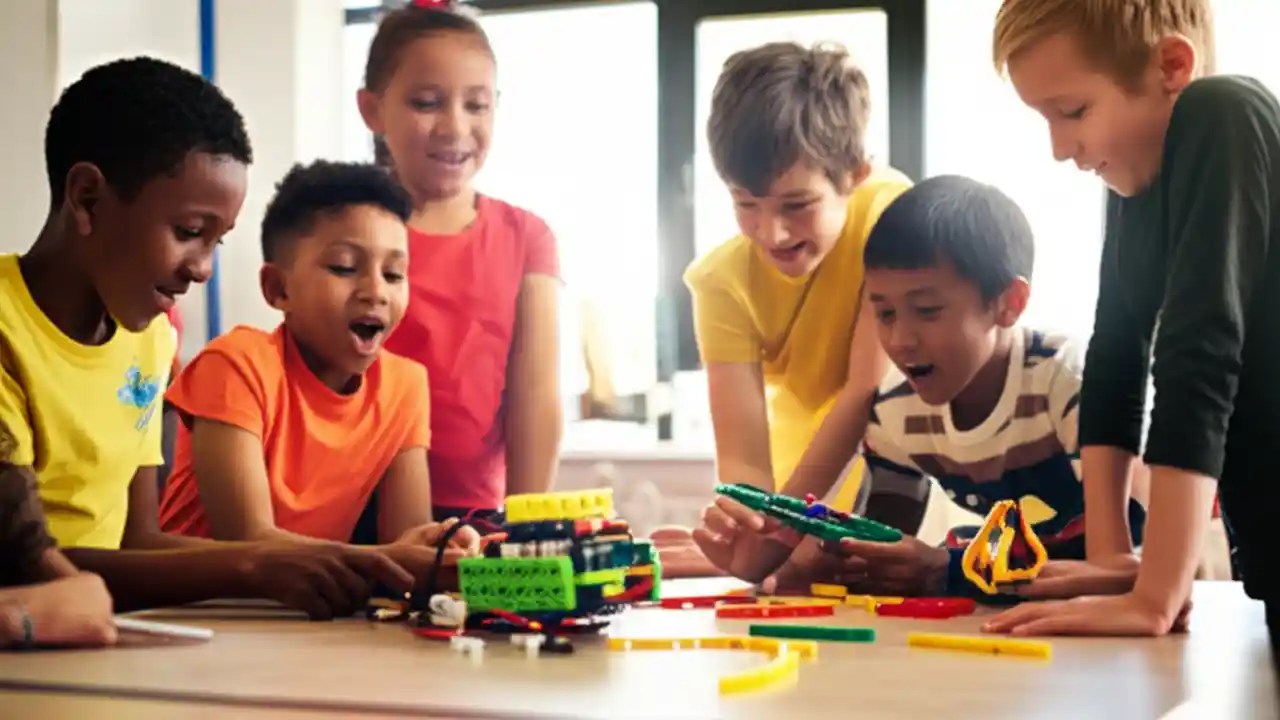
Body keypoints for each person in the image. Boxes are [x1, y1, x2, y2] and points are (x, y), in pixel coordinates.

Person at [0, 56, 418, 620]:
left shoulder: (150, 341)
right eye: (189, 232)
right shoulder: (7, 329)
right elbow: (21, 563)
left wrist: (303, 563)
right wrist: (250, 565)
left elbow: (136, 539)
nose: (202, 269)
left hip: (101, 633)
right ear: (88, 198)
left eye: (215, 242)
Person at [984, 0, 1280, 640]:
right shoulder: (1139, 180)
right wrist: (1112, 558)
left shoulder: (1223, 113)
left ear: (1171, 66)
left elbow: (1199, 351)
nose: (1060, 149)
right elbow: (1117, 354)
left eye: (1073, 112)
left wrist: (1157, 596)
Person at [696, 176, 1148, 594]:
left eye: (928, 311)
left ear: (1009, 304)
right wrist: (798, 566)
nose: (900, 340)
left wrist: (949, 567)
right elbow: (882, 544)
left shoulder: (1071, 383)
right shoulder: (898, 412)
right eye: (884, 314)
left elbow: (1120, 556)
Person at [658, 41, 910, 578]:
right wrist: (750, 532)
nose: (771, 232)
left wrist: (775, 539)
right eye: (745, 203)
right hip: (804, 487)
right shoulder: (719, 283)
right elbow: (745, 461)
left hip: (891, 479)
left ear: (856, 175)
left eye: (797, 205)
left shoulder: (891, 214)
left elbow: (865, 391)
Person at [158, 160, 478, 576]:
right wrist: (390, 558)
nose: (376, 292)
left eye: (394, 274)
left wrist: (439, 546)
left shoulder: (405, 385)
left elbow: (407, 544)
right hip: (200, 603)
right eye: (344, 267)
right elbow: (249, 541)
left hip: (311, 601)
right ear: (278, 288)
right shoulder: (235, 365)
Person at [354, 1, 562, 525]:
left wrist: (526, 526)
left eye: (477, 105)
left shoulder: (526, 237)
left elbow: (535, 396)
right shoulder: (347, 229)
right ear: (372, 109)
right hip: (352, 506)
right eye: (427, 103)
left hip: (475, 515)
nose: (455, 126)